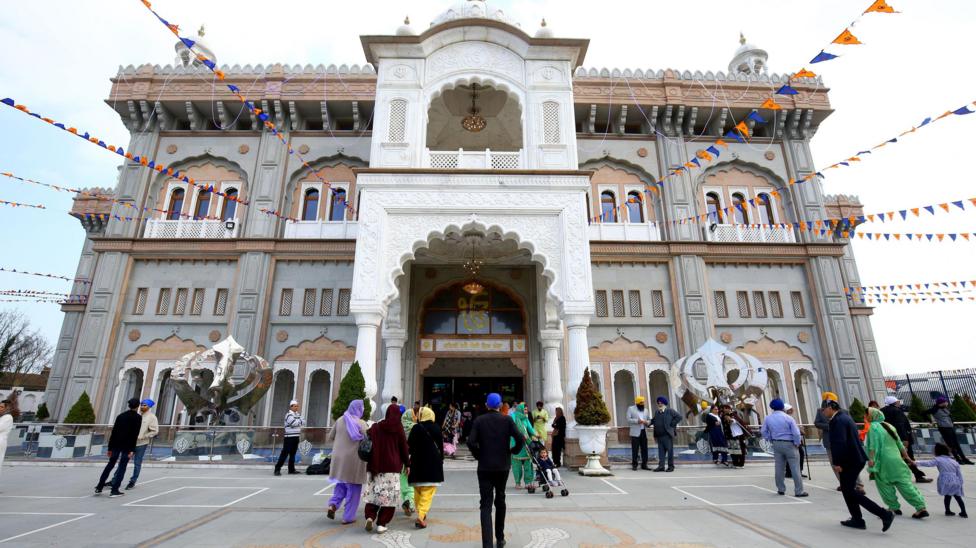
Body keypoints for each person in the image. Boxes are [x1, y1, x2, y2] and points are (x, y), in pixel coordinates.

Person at [822, 399, 894, 531]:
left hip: (849, 460)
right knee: (848, 490)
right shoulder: (845, 417)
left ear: (831, 408)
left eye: (824, 409)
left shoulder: (837, 421)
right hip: (854, 458)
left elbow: (839, 443)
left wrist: (837, 462)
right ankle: (857, 519)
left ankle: (884, 514)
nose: (823, 412)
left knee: (850, 491)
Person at [468, 392, 524, 548]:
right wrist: (512, 451)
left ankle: (487, 544)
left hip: (485, 467)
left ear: (487, 405)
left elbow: (470, 442)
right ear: (500, 406)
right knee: (500, 500)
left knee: (485, 505)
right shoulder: (507, 420)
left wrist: (479, 455)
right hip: (502, 466)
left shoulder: (479, 420)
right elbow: (520, 438)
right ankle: (500, 538)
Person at [864, 407, 928, 519]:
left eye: (866, 415)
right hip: (896, 459)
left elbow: (872, 446)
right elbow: (899, 443)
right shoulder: (889, 426)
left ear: (872, 416)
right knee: (904, 484)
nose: (865, 417)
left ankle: (893, 507)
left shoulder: (873, 427)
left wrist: (871, 459)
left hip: (883, 460)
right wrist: (906, 457)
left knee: (884, 484)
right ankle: (921, 507)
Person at [364, 404, 409, 534]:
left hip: (376, 466)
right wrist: (408, 464)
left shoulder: (377, 427)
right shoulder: (398, 428)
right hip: (392, 468)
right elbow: (404, 448)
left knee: (375, 494)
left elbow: (368, 434)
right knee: (389, 498)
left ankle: (370, 517)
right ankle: (381, 524)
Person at [327, 400, 368, 524]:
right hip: (353, 460)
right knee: (354, 488)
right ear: (358, 409)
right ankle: (348, 517)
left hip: (338, 459)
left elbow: (331, 436)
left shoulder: (340, 420)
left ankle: (333, 505)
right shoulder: (361, 423)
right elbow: (369, 438)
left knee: (341, 484)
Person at [95, 397, 142, 497]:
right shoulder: (137, 418)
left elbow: (114, 432)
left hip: (116, 444)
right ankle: (115, 490)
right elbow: (134, 434)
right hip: (127, 445)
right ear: (137, 406)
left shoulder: (120, 416)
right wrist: (132, 450)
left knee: (110, 465)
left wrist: (110, 448)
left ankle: (99, 486)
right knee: (122, 467)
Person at [761, 399, 808, 497]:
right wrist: (797, 443)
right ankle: (799, 491)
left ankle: (781, 489)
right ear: (782, 407)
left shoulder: (768, 418)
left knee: (779, 467)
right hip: (789, 444)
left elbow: (763, 431)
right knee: (795, 468)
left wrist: (770, 439)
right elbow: (796, 432)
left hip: (777, 443)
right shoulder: (788, 418)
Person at [880, 396, 931, 483]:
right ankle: (918, 475)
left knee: (895, 458)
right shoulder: (896, 411)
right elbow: (900, 425)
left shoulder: (882, 411)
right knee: (908, 457)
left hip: (889, 438)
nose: (899, 403)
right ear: (895, 402)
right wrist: (905, 439)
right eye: (898, 401)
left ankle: (892, 476)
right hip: (900, 439)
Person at [407, 406, 444, 529]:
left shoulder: (416, 428)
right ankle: (421, 515)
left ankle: (421, 513)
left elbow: (409, 446)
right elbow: (440, 448)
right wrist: (441, 461)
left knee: (418, 490)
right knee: (428, 492)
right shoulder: (436, 428)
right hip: (432, 465)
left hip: (417, 464)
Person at [916, 442, 967, 518]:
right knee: (958, 497)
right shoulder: (954, 461)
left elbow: (929, 463)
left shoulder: (938, 459)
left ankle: (948, 510)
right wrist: (960, 482)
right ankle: (964, 512)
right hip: (955, 480)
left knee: (947, 495)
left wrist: (916, 462)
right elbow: (959, 473)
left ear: (937, 451)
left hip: (945, 480)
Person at [926, 396, 974, 465]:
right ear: (940, 403)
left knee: (956, 444)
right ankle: (958, 459)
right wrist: (929, 420)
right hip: (944, 428)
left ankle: (964, 459)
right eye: (945, 402)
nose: (946, 403)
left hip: (950, 428)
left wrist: (952, 422)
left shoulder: (945, 408)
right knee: (951, 445)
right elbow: (924, 413)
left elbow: (949, 416)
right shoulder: (935, 409)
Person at [125, 399, 159, 490]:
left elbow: (155, 431)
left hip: (141, 444)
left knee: (137, 463)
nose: (142, 407)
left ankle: (133, 481)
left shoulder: (151, 417)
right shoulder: (137, 415)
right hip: (130, 443)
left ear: (149, 407)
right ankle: (115, 479)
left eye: (145, 405)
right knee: (124, 461)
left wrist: (144, 436)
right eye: (142, 405)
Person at [510, 403, 537, 489]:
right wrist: (520, 434)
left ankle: (528, 482)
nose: (526, 411)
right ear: (520, 409)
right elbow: (511, 429)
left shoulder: (525, 418)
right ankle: (517, 483)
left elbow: (530, 428)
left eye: (526, 410)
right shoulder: (512, 417)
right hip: (516, 443)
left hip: (526, 443)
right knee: (516, 466)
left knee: (528, 464)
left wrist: (535, 435)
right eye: (525, 410)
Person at [275, 400, 304, 476]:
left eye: (297, 406)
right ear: (291, 407)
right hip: (289, 437)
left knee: (293, 454)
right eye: (295, 406)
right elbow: (293, 423)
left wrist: (298, 422)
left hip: (296, 436)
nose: (296, 407)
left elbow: (303, 421)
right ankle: (277, 469)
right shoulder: (288, 415)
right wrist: (299, 422)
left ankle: (291, 469)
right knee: (284, 454)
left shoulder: (298, 414)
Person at [651, 396, 681, 472]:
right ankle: (661, 466)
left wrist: (672, 424)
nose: (659, 404)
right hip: (659, 435)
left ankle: (671, 467)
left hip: (667, 435)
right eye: (658, 403)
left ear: (664, 403)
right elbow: (653, 420)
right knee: (661, 452)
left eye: (661, 403)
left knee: (669, 451)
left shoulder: (670, 411)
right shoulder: (657, 412)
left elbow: (679, 417)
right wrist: (648, 423)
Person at [399, 403, 417, 517]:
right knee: (411, 482)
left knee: (403, 482)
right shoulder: (415, 427)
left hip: (400, 458)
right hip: (412, 457)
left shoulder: (399, 427)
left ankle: (405, 500)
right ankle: (410, 503)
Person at [627, 396, 651, 470]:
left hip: (644, 431)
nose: (642, 404)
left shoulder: (646, 410)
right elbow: (628, 419)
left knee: (644, 449)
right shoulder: (631, 409)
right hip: (635, 432)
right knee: (635, 449)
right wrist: (637, 421)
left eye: (643, 402)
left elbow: (649, 419)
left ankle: (644, 464)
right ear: (637, 403)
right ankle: (634, 465)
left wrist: (646, 422)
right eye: (641, 403)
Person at [724, 404, 751, 469]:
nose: (724, 410)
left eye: (724, 408)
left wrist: (730, 419)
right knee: (733, 451)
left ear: (728, 408)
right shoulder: (725, 416)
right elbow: (727, 424)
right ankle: (735, 464)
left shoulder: (734, 414)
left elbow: (737, 421)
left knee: (741, 450)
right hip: (732, 435)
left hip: (739, 435)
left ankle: (741, 464)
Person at [0, 393, 20, 480]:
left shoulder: (8, 417)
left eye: (1, 407)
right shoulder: (2, 417)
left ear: (7, 408)